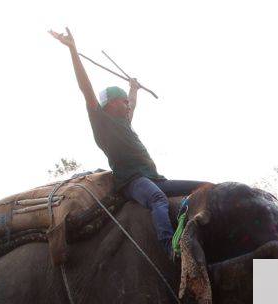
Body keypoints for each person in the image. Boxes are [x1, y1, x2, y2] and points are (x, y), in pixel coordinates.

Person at [50, 28, 207, 256]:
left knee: (204, 187)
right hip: (132, 182)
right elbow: (86, 89)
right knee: (158, 200)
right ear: (110, 105)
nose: (128, 105)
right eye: (123, 101)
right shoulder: (102, 123)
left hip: (155, 178)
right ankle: (170, 249)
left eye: (127, 102)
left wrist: (133, 88)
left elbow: (133, 104)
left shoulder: (125, 122)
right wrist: (73, 50)